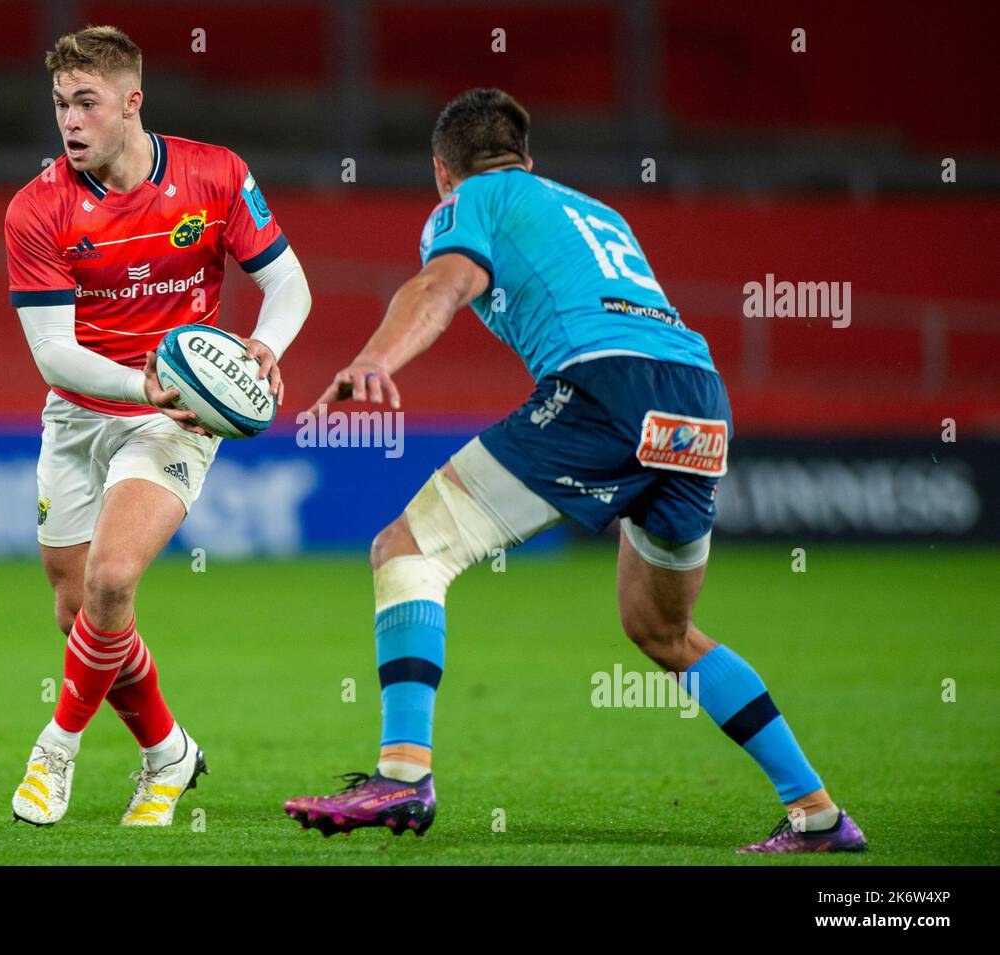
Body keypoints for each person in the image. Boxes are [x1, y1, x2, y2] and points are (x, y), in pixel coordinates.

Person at [283, 88, 865, 853]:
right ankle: (818, 814)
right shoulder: (599, 212)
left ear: (440, 172)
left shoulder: (472, 200)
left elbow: (443, 285)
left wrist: (373, 358)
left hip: (604, 387)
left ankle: (403, 774)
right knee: (662, 627)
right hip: (698, 399)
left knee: (408, 548)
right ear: (530, 158)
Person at [4, 26, 310, 827]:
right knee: (80, 615)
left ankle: (55, 749)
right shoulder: (37, 210)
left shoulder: (216, 174)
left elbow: (290, 287)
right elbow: (54, 357)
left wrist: (266, 348)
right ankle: (169, 752)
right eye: (61, 104)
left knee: (111, 579)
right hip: (82, 413)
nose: (69, 121)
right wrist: (145, 382)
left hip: (176, 421)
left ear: (133, 102)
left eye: (87, 103)